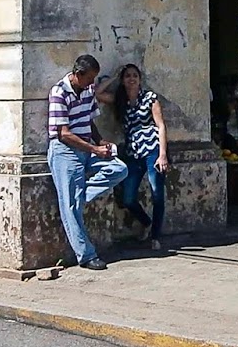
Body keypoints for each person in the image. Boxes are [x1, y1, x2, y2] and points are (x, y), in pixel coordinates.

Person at [47, 54, 131, 270]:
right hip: (65, 151)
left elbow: (89, 120)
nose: (92, 83)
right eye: (89, 78)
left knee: (118, 169)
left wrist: (100, 142)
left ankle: (78, 197)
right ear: (77, 75)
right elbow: (63, 134)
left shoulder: (88, 90)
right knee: (71, 207)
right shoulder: (59, 93)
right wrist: (94, 148)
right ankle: (86, 255)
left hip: (86, 147)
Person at [113, 64, 170, 251]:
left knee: (156, 193)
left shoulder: (149, 98)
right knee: (128, 198)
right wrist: (114, 78)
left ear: (140, 79)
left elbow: (160, 125)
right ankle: (146, 222)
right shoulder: (120, 100)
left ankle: (155, 236)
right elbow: (97, 94)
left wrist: (162, 155)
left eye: (135, 76)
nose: (131, 79)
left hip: (152, 147)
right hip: (133, 151)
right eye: (127, 76)